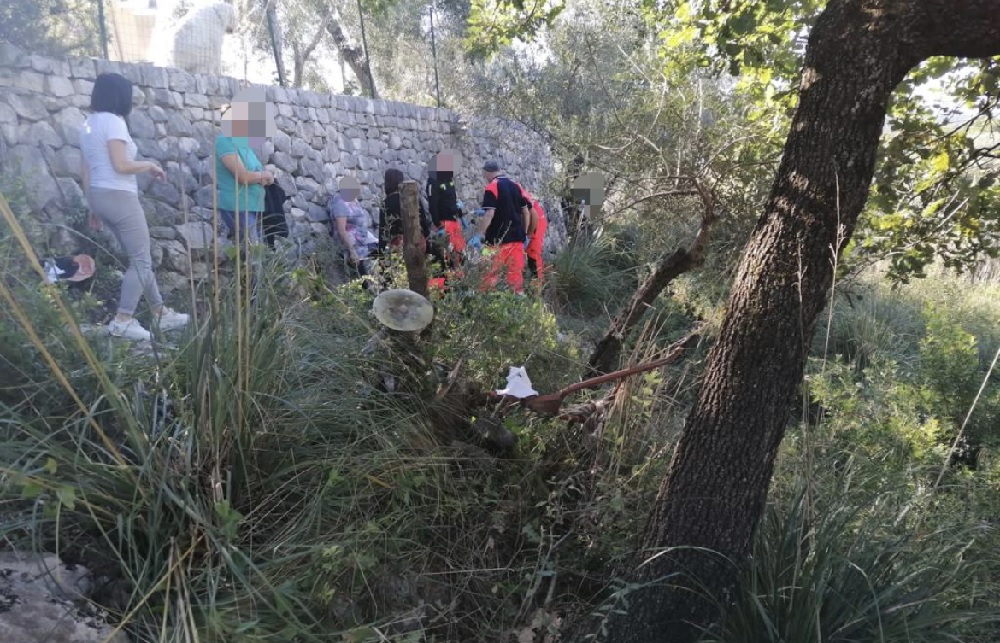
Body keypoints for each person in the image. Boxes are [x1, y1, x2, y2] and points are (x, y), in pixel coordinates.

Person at [79, 72, 189, 341]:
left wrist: (92, 206)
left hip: (100, 196)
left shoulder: (88, 124)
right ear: (120, 96)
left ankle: (160, 313)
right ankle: (123, 320)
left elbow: (86, 169)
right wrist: (149, 165)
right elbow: (121, 165)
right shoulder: (114, 123)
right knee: (141, 259)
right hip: (120, 196)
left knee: (138, 257)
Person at [215, 100, 275, 252]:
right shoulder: (224, 141)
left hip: (253, 206)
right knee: (252, 254)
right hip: (239, 206)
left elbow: (255, 172)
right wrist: (265, 175)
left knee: (258, 253)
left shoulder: (243, 144)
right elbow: (243, 177)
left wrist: (264, 176)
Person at [470, 160, 530, 294]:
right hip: (517, 240)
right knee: (516, 277)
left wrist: (479, 234)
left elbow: (489, 214)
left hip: (495, 241)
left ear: (486, 172)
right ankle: (519, 303)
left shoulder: (492, 187)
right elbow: (526, 212)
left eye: (484, 174)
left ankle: (486, 300)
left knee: (488, 274)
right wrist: (524, 233)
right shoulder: (516, 186)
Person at [329, 176, 376, 279]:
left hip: (362, 238)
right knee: (362, 273)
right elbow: (341, 229)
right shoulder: (339, 202)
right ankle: (366, 286)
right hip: (351, 243)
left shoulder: (352, 199)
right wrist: (352, 250)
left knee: (382, 251)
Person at [426, 151, 465, 268]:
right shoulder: (433, 181)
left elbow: (451, 200)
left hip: (454, 222)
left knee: (460, 255)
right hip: (444, 223)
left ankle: (459, 277)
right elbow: (433, 205)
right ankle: (449, 278)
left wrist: (459, 213)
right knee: (448, 257)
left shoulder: (449, 180)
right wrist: (438, 224)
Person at [379, 167, 431, 253]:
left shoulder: (385, 204)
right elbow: (424, 223)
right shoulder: (413, 198)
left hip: (397, 247)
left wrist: (381, 253)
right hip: (417, 243)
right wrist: (428, 247)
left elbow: (383, 231)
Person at [521, 188, 548, 285]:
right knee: (534, 262)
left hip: (534, 238)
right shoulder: (535, 205)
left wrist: (528, 235)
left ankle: (537, 288)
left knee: (534, 261)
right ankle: (537, 286)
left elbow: (534, 216)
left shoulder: (529, 205)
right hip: (536, 237)